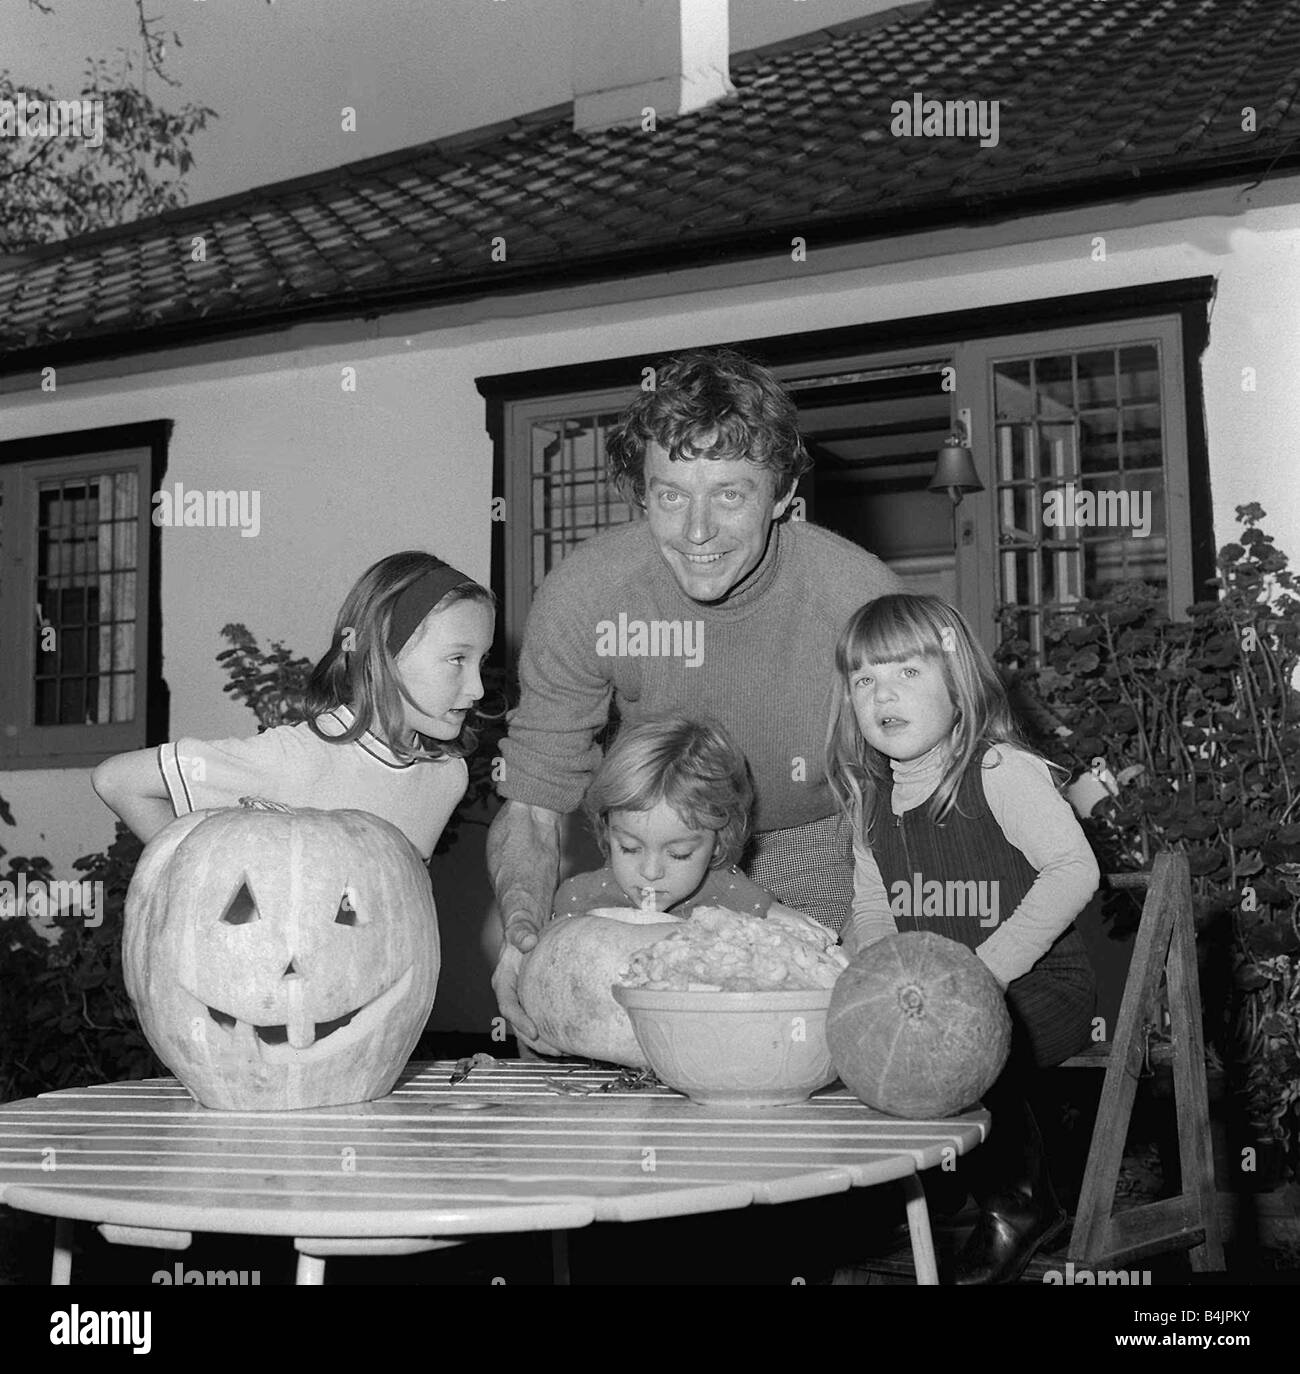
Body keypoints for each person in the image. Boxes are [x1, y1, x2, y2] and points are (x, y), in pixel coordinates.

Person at [490, 348, 903, 1050]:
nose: (697, 531)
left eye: (730, 495)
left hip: (824, 847)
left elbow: (926, 796)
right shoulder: (589, 595)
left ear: (780, 495)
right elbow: (532, 801)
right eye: (672, 494)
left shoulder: (860, 600)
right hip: (655, 855)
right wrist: (522, 930)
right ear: (641, 492)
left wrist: (879, 933)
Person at [826, 592, 1098, 1285]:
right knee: (861, 1039)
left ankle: (1023, 1203)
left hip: (1040, 982)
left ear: (959, 684)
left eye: (908, 674)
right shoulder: (870, 804)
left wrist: (987, 972)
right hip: (938, 992)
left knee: (960, 1037)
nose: (882, 693)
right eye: (864, 680)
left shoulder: (1000, 770)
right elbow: (873, 909)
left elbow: (1075, 870)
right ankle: (921, 1195)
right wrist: (864, 985)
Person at [92, 551, 495, 862]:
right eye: (457, 660)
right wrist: (209, 878)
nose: (477, 688)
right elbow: (119, 780)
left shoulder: (446, 778)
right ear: (382, 655)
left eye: (482, 661)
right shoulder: (300, 757)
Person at [553, 713, 805, 921]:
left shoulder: (735, 900)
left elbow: (792, 930)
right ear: (608, 829)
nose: (650, 873)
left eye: (679, 854)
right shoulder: (579, 902)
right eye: (629, 848)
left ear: (718, 842)